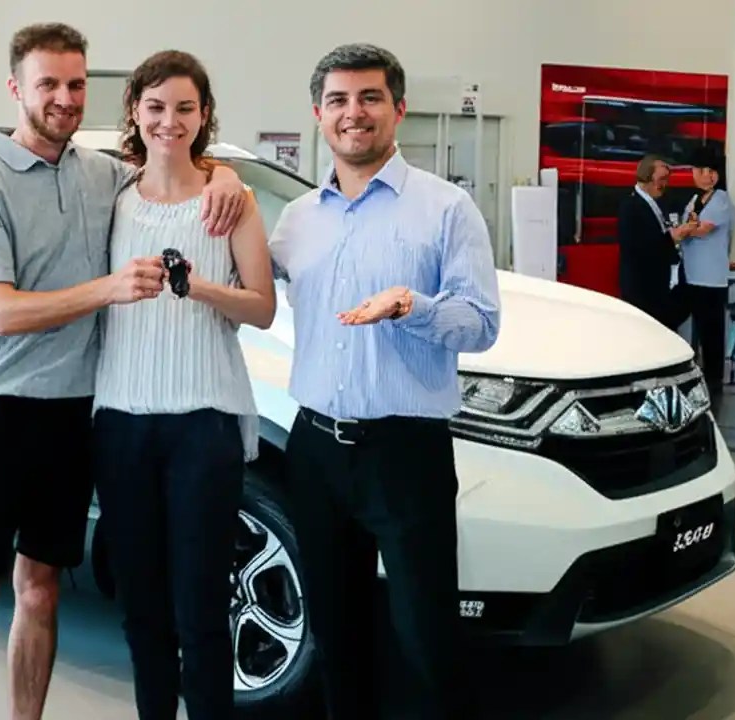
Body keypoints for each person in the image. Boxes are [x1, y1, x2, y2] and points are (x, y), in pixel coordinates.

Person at [0, 23, 247, 720]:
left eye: (77, 84)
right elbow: (4, 313)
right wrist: (108, 289)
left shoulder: (100, 174)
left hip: (75, 412)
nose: (65, 99)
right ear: (17, 88)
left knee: (42, 588)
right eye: (49, 84)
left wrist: (225, 173)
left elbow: (174, 171)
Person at [268, 43, 500, 719]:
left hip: (406, 453)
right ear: (318, 115)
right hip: (313, 450)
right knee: (336, 634)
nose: (354, 113)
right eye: (338, 100)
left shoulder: (445, 209)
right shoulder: (296, 220)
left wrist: (412, 306)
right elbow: (248, 287)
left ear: (399, 109)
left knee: (426, 636)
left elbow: (482, 323)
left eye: (370, 97)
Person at [90, 50, 275, 720]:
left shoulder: (231, 202)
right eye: (156, 106)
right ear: (136, 112)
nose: (170, 121)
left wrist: (196, 286)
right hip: (121, 423)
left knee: (202, 609)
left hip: (205, 424)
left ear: (204, 116)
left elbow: (262, 307)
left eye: (185, 108)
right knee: (142, 610)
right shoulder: (110, 198)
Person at [678, 147, 735, 395]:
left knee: (712, 333)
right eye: (702, 170)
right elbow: (687, 227)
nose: (707, 176)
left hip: (711, 279)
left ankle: (713, 381)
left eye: (712, 171)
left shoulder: (720, 199)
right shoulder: (694, 199)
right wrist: (686, 228)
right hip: (691, 275)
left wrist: (685, 228)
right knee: (695, 329)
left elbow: (701, 229)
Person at [616, 154, 695, 329]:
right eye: (661, 179)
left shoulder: (660, 203)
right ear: (646, 178)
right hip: (641, 286)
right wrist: (671, 237)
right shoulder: (630, 206)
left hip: (659, 283)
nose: (664, 184)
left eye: (667, 179)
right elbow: (636, 246)